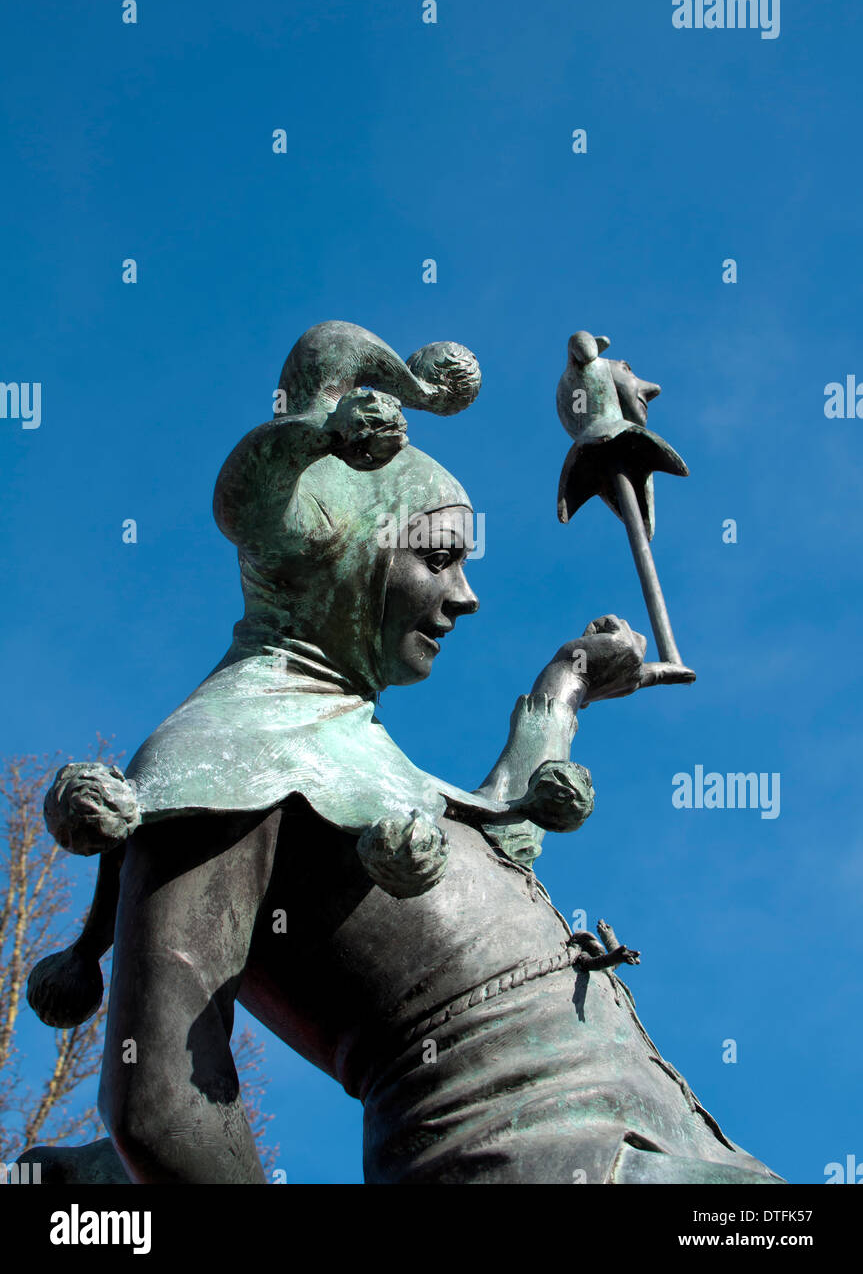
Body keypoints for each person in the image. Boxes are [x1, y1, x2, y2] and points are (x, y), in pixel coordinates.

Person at [27, 322, 784, 1185]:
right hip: (528, 1161)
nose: (465, 597)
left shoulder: (352, 754)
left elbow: (500, 835)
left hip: (645, 1151)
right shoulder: (223, 757)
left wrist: (566, 682)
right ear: (347, 551)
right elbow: (158, 1105)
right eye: (438, 558)